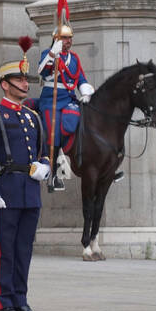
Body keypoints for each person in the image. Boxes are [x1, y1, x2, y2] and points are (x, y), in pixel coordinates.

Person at [0, 43, 49, 311]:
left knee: (24, 249)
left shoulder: (32, 117)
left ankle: (20, 298)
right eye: (18, 79)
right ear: (5, 85)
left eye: (26, 79)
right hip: (5, 190)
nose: (24, 84)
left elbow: (43, 151)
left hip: (29, 191)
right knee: (4, 249)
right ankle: (2, 299)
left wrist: (45, 166)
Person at [36, 22, 92, 190]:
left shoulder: (74, 58)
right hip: (51, 100)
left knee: (90, 122)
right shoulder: (49, 54)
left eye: (70, 38)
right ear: (56, 39)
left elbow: (80, 77)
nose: (68, 41)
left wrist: (86, 92)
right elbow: (42, 71)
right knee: (53, 132)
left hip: (69, 98)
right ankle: (53, 173)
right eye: (65, 38)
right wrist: (53, 54)